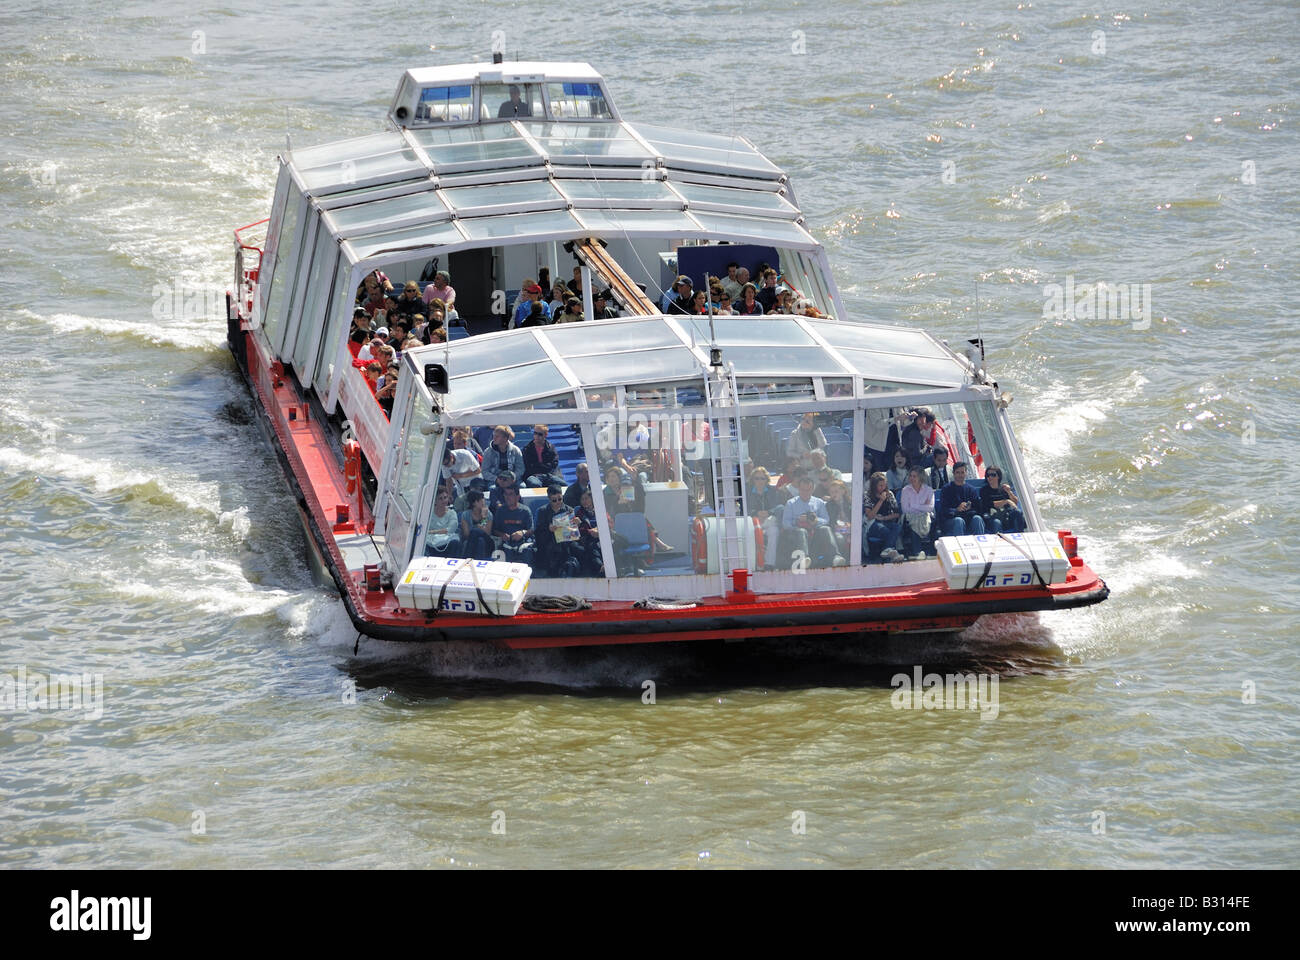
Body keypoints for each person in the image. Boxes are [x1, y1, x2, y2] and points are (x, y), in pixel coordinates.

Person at [779, 472, 843, 569]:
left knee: (825, 528)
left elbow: (826, 520)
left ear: (812, 489)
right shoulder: (790, 503)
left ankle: (835, 557)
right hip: (796, 536)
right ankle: (803, 558)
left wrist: (816, 521)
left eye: (808, 490)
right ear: (798, 489)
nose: (805, 492)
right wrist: (797, 521)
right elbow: (785, 523)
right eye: (803, 490)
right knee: (801, 531)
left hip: (814, 535)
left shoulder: (819, 502)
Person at [533, 485, 581, 578]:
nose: (558, 502)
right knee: (553, 548)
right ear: (549, 499)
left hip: (566, 540)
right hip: (549, 540)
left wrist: (577, 524)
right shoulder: (542, 511)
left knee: (576, 549)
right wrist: (548, 528)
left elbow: (574, 533)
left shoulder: (569, 510)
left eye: (560, 499)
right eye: (554, 500)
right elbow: (537, 531)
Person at [937, 461, 985, 537]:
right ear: (953, 473)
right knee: (959, 521)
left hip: (968, 519)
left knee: (977, 519)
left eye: (962, 472)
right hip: (952, 521)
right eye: (958, 472)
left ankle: (980, 543)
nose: (960, 475)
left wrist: (970, 507)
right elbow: (944, 510)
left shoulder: (971, 490)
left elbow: (978, 509)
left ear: (966, 473)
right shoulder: (946, 489)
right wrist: (956, 510)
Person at [864, 472, 903, 562]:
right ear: (874, 486)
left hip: (886, 521)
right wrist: (881, 500)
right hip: (872, 523)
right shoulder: (868, 495)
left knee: (897, 527)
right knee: (884, 530)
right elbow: (870, 516)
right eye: (880, 485)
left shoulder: (890, 494)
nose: (883, 488)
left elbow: (897, 513)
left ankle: (887, 550)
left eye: (884, 485)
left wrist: (884, 518)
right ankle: (891, 551)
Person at [491, 485, 535, 566]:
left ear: (518, 497)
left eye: (510, 494)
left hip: (522, 543)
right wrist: (502, 535)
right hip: (506, 543)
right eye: (506, 494)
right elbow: (494, 530)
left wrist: (522, 532)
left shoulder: (525, 510)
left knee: (528, 552)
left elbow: (531, 529)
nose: (507, 497)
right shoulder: (500, 511)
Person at [899, 467, 935, 559]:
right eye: (910, 476)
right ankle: (917, 552)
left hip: (926, 516)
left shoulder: (929, 490)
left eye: (914, 476)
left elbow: (930, 508)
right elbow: (905, 509)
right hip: (910, 517)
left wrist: (914, 505)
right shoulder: (905, 490)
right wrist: (922, 506)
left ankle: (930, 553)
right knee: (914, 521)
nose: (912, 478)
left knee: (927, 519)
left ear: (921, 477)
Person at [979, 466, 1024, 533]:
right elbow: (990, 504)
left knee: (1018, 512)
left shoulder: (1003, 489)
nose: (990, 477)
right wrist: (1006, 501)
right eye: (988, 475)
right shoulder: (984, 490)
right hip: (992, 516)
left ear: (998, 476)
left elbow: (1015, 503)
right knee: (996, 522)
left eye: (993, 475)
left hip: (1006, 515)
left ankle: (1021, 534)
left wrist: (1009, 492)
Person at [574, 489, 604, 576]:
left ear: (592, 499)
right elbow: (580, 531)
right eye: (582, 499)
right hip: (589, 538)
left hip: (603, 536)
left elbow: (610, 523)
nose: (584, 501)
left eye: (586, 498)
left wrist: (599, 530)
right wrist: (579, 525)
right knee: (593, 548)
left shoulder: (600, 509)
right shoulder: (579, 513)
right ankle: (601, 567)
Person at [522, 424, 564, 488]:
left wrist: (540, 466)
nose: (536, 436)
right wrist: (543, 467)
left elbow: (554, 463)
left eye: (540, 434)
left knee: (563, 484)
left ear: (545, 435)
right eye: (535, 433)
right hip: (533, 475)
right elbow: (529, 466)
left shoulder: (551, 448)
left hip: (549, 475)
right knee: (535, 484)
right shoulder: (527, 449)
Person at [424, 488, 462, 557]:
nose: (444, 500)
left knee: (455, 543)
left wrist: (432, 532)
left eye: (445, 497)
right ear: (435, 501)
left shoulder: (452, 513)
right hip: (431, 543)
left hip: (447, 543)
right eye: (440, 498)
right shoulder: (428, 514)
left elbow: (450, 530)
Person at [459, 490, 495, 560]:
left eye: (483, 498)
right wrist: (478, 528)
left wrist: (484, 518)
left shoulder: (488, 514)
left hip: (488, 542)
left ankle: (466, 558)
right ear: (474, 503)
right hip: (472, 541)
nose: (483, 501)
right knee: (478, 538)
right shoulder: (466, 515)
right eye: (480, 500)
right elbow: (466, 535)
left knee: (475, 532)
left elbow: (487, 533)